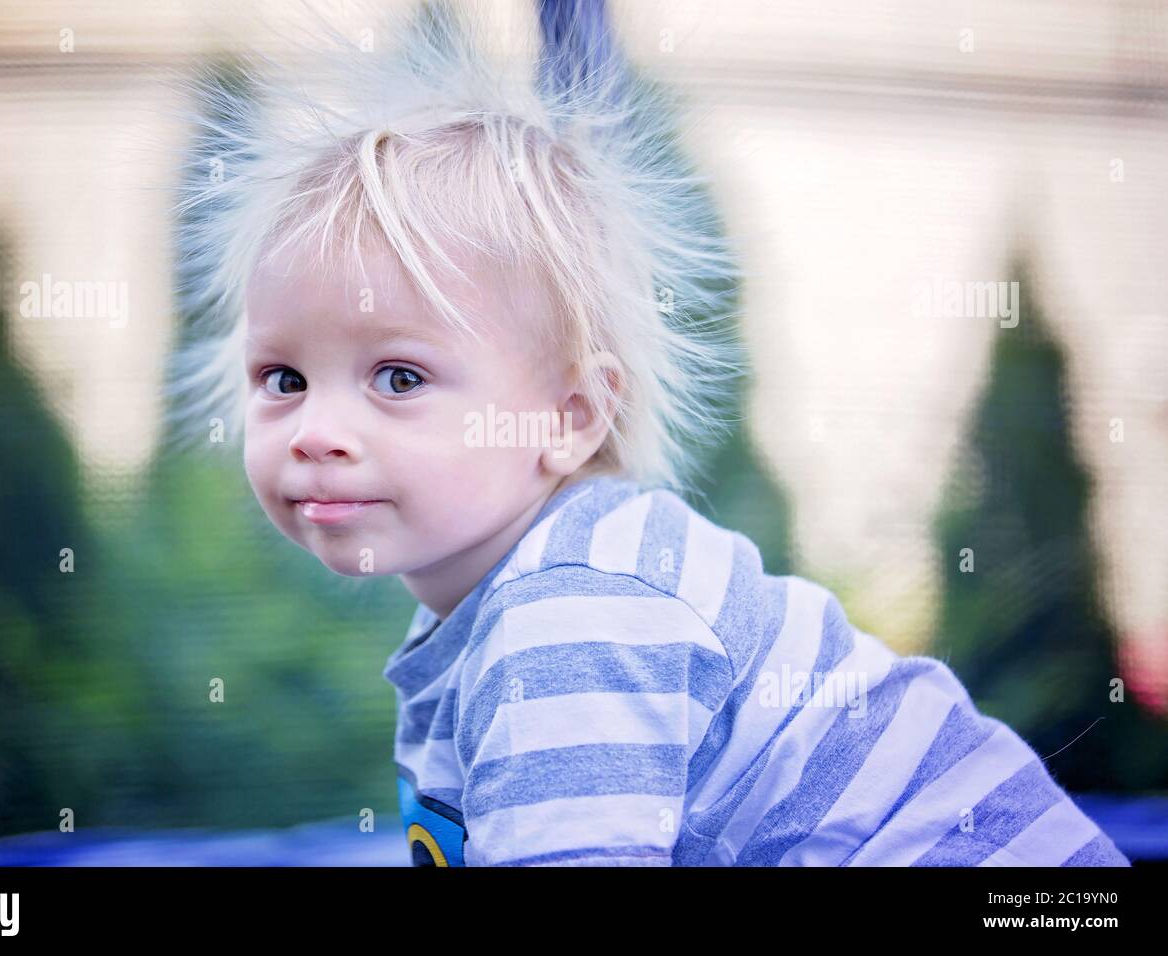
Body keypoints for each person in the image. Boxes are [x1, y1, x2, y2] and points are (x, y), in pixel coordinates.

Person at [167, 0, 1130, 866]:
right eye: (283, 378)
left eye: (400, 377)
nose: (317, 430)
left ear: (571, 417)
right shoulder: (518, 593)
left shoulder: (573, 610)